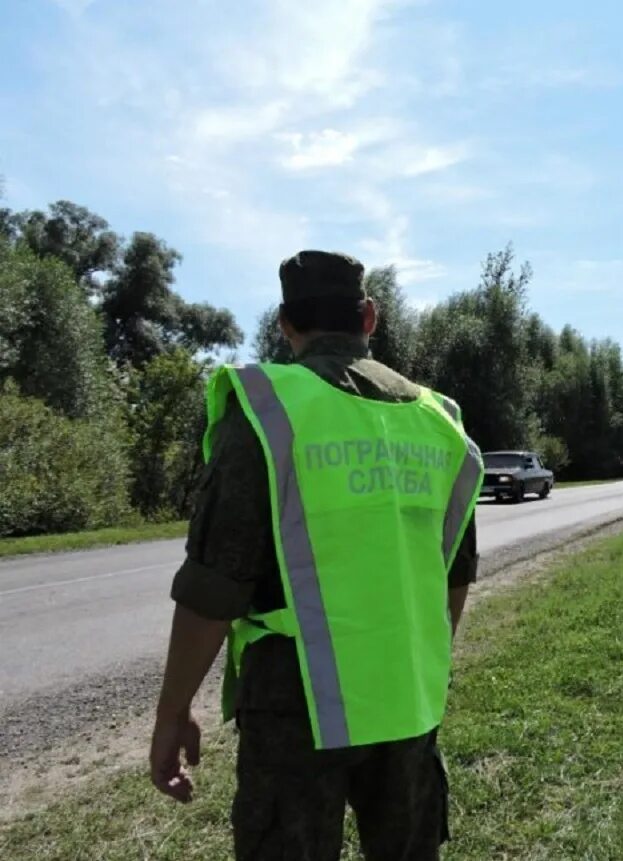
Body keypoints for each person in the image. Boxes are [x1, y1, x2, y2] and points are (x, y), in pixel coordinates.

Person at [148, 250, 483, 860]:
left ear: (285, 324)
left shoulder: (268, 409)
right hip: (406, 690)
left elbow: (214, 581)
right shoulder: (442, 423)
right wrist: (412, 662)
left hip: (294, 700)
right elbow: (455, 575)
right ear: (370, 318)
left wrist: (174, 711)